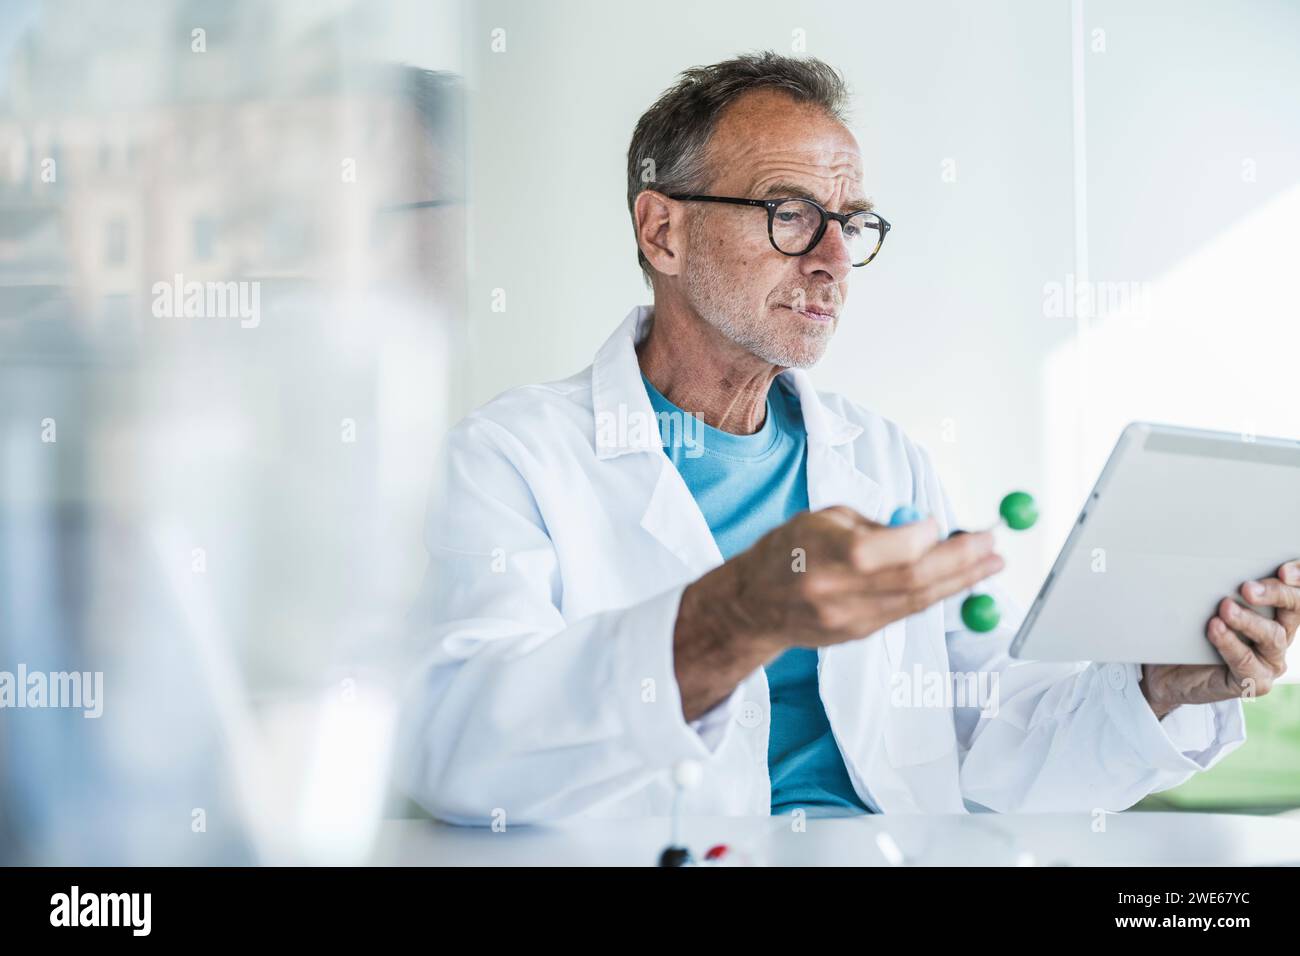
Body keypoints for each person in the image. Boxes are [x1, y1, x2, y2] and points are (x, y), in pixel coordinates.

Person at [401, 52, 1297, 824]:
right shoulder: (512, 457)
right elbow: (462, 749)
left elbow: (988, 745)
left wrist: (1160, 688)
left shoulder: (883, 460)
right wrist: (731, 617)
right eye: (789, 214)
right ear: (662, 230)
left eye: (853, 223)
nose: (833, 257)